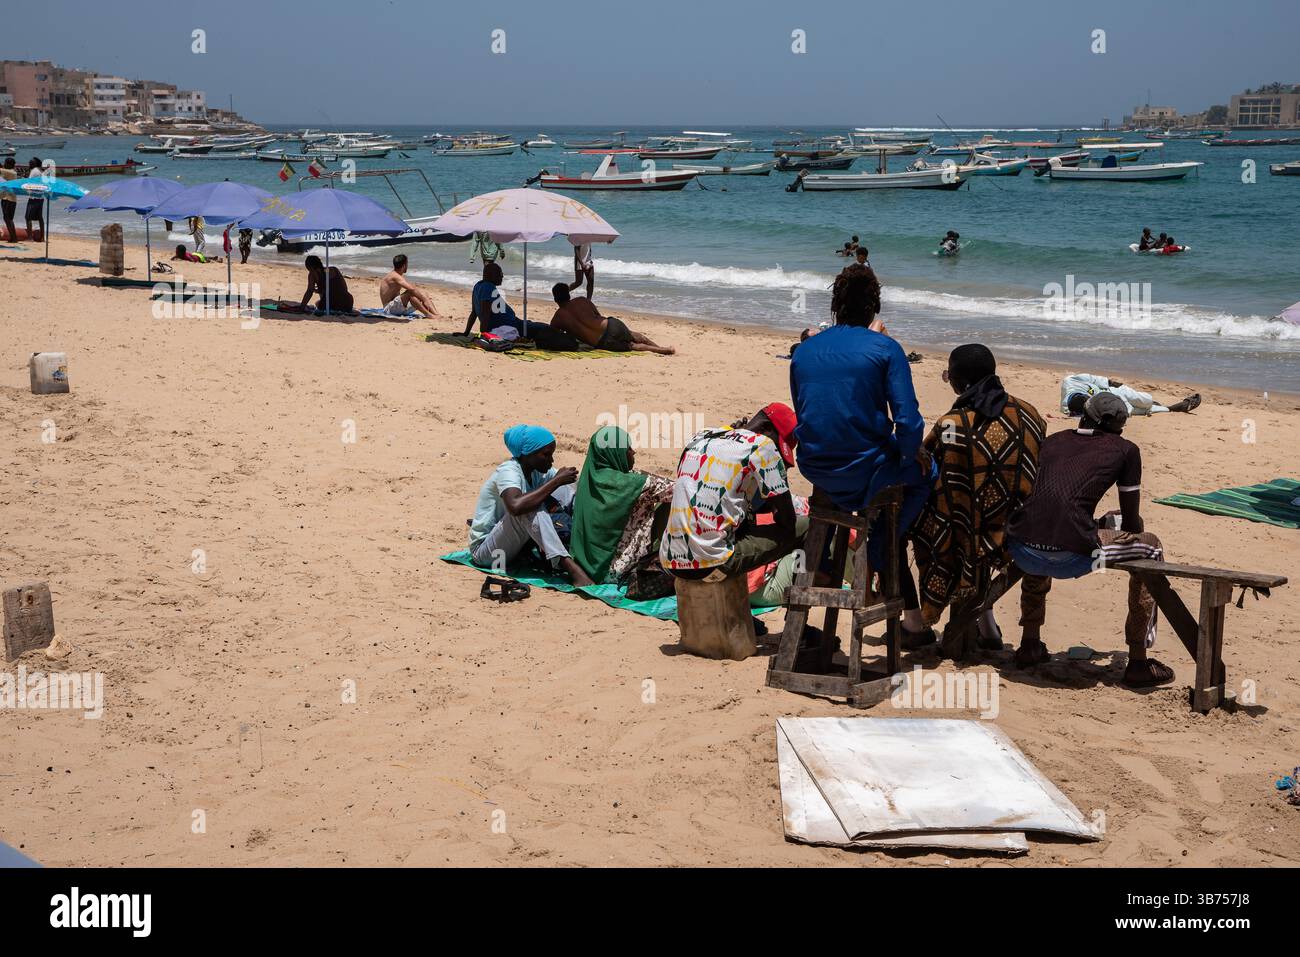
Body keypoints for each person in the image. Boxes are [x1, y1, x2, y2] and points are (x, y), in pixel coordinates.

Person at [790, 264, 932, 616]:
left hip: (816, 467)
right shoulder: (885, 348)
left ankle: (824, 560)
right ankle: (881, 550)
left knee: (875, 471)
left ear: (835, 306)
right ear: (875, 307)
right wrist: (906, 456)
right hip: (868, 470)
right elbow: (909, 423)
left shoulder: (804, 351)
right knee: (927, 474)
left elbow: (807, 411)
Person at [1005, 392, 1173, 688]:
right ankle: (1138, 660)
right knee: (1151, 545)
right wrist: (1131, 527)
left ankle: (1030, 642)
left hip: (1023, 548)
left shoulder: (1054, 441)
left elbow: (1050, 499)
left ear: (1084, 414)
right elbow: (1133, 522)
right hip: (1073, 557)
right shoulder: (1126, 450)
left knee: (1045, 527)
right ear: (1121, 426)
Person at [907, 345, 1047, 657]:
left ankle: (915, 623)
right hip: (1019, 527)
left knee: (917, 518)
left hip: (968, 533)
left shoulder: (953, 424)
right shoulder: (1031, 414)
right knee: (966, 508)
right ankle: (987, 623)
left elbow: (928, 466)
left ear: (958, 382)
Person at [660, 404, 807, 582]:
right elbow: (787, 520)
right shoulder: (763, 446)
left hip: (670, 560)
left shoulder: (701, 436)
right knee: (806, 526)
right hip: (711, 564)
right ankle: (812, 583)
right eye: (779, 445)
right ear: (766, 429)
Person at [469, 425, 593, 587]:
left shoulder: (536, 470)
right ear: (527, 454)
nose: (551, 460)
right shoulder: (508, 471)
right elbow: (515, 506)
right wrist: (555, 481)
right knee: (528, 508)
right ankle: (571, 569)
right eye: (546, 455)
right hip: (489, 553)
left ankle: (583, 545)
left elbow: (567, 486)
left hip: (516, 548)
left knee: (565, 489)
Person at [570, 425, 673, 584]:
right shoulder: (630, 484)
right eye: (628, 448)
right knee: (669, 502)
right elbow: (677, 489)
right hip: (615, 571)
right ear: (615, 453)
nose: (633, 452)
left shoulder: (590, 476)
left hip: (586, 566)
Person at [549, 283, 675, 355]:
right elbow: (597, 315)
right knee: (634, 335)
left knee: (631, 346)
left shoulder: (557, 318)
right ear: (569, 294)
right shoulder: (582, 300)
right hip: (611, 324)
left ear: (555, 299)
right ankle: (661, 347)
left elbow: (553, 335)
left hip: (602, 341)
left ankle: (662, 350)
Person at [464, 261, 547, 338]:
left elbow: (474, 312)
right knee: (543, 328)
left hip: (510, 324)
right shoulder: (488, 287)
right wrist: (484, 335)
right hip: (509, 327)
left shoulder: (478, 286)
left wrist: (466, 333)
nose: (502, 276)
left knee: (535, 326)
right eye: (499, 273)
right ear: (490, 275)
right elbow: (485, 315)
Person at [1061, 373, 1200, 417]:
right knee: (1140, 411)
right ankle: (1175, 407)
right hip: (1111, 404)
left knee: (1145, 400)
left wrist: (1111, 383)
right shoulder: (1072, 410)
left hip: (1115, 391)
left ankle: (1154, 403)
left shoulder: (1071, 381)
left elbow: (1093, 379)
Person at [379, 253, 441, 318]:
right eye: (407, 264)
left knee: (423, 293)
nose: (407, 266)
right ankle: (429, 315)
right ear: (404, 265)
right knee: (411, 293)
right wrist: (424, 300)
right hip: (389, 309)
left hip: (397, 308)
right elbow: (411, 289)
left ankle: (437, 314)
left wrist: (423, 298)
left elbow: (413, 289)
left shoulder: (397, 275)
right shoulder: (394, 276)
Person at [24, 158, 44, 244]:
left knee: (28, 217)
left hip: (33, 197)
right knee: (40, 217)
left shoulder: (34, 171)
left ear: (34, 164)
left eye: (30, 162)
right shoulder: (40, 171)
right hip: (40, 197)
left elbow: (29, 183)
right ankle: (42, 237)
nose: (29, 163)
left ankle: (30, 237)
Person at [0, 158, 17, 243]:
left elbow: (1, 170)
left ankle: (14, 238)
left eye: (6, 163)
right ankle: (12, 237)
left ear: (10, 164)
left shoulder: (11, 172)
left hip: (9, 198)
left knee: (8, 218)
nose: (4, 164)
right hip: (6, 198)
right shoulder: (9, 171)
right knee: (7, 218)